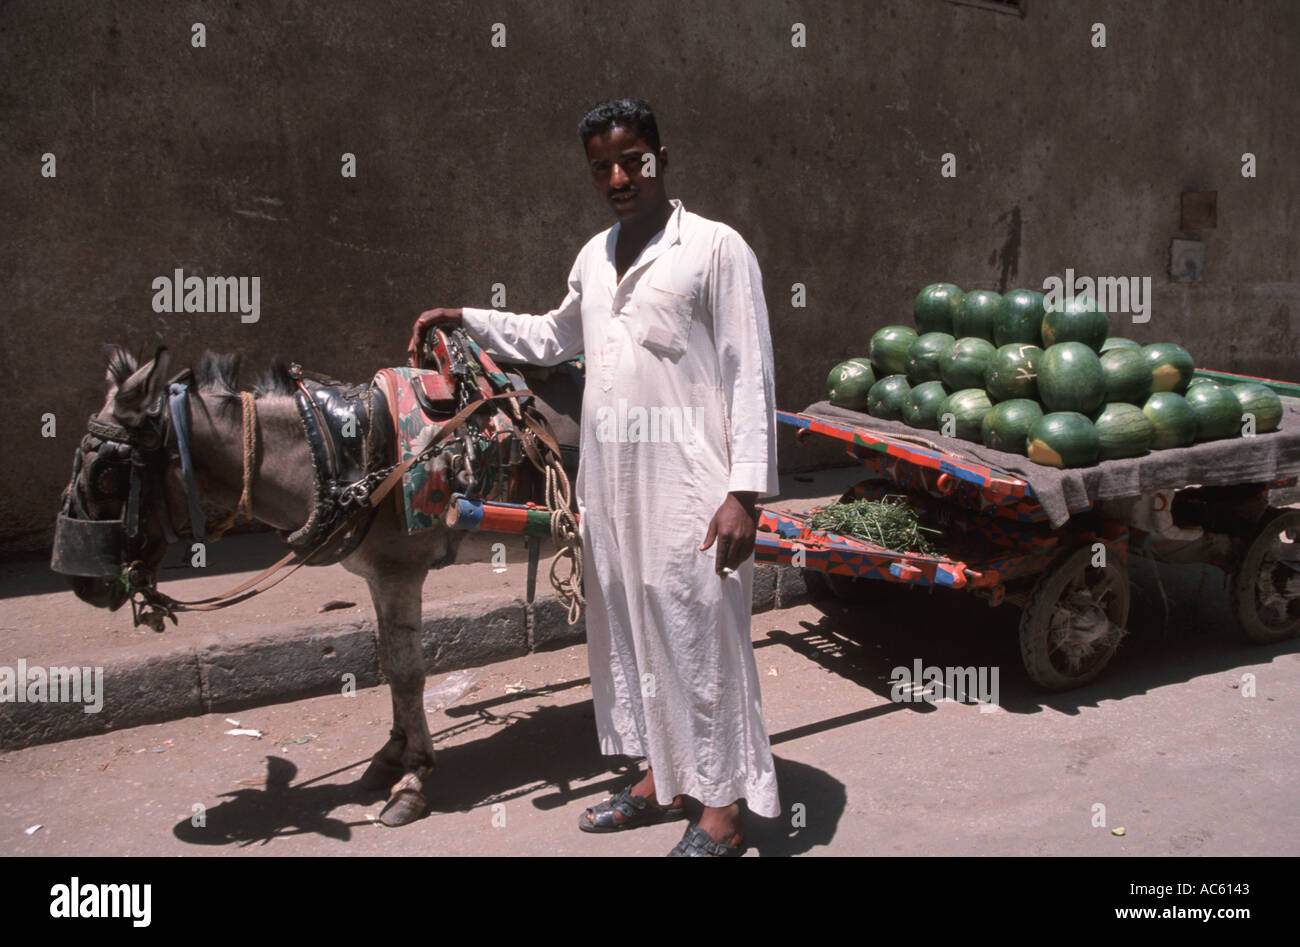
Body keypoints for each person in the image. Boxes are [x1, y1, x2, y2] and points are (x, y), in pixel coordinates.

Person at [408, 98, 779, 856]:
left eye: (631, 158)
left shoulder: (714, 248)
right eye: (600, 165)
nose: (617, 175)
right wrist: (469, 318)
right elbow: (552, 335)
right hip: (613, 487)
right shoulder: (593, 255)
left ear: (661, 157)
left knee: (699, 635)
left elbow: (751, 373)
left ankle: (723, 809)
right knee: (635, 637)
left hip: (694, 486)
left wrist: (746, 491)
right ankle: (659, 776)